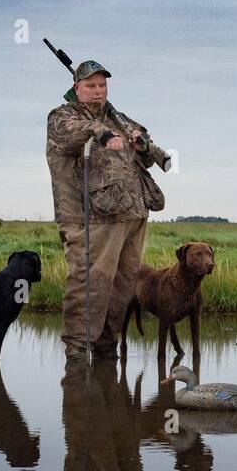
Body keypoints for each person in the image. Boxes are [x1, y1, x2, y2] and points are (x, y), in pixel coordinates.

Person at [45, 60, 167, 362]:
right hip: (92, 220)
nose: (97, 91)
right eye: (90, 86)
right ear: (77, 88)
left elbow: (149, 154)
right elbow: (72, 133)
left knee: (123, 286)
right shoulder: (62, 116)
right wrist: (101, 132)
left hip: (133, 214)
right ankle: (76, 353)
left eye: (102, 85)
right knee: (91, 284)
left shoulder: (119, 118)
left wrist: (141, 142)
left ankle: (105, 351)